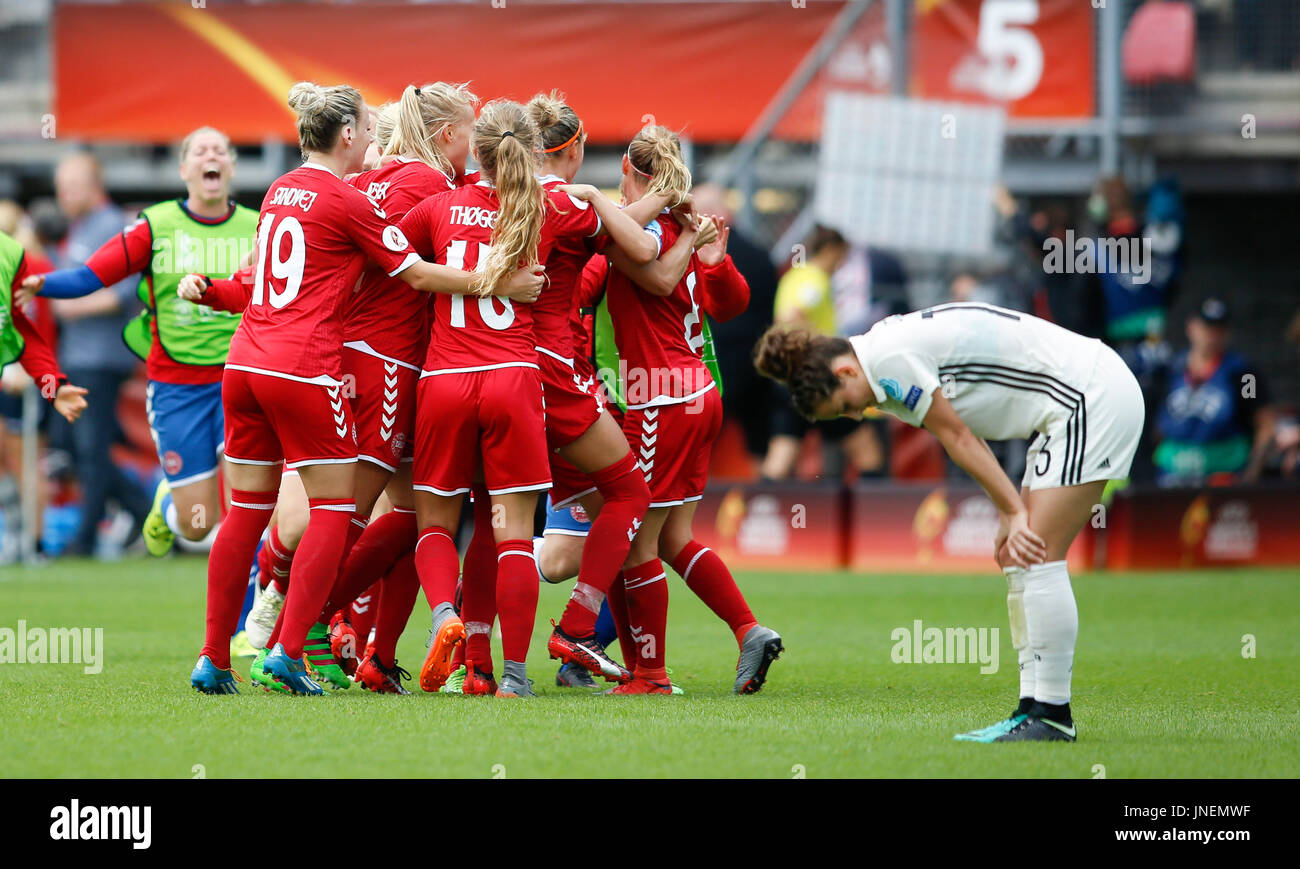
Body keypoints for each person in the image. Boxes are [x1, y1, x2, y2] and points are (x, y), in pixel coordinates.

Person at [183, 81, 543, 695]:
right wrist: (500, 284)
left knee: (286, 512)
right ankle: (294, 631)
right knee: (346, 512)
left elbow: (278, 275)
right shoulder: (410, 191)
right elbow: (417, 271)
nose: (373, 139)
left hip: (248, 358)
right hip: (365, 364)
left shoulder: (280, 191)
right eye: (464, 127)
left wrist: (215, 292)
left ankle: (237, 653)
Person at [754, 300, 1146, 741]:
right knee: (1019, 557)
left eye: (844, 405)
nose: (853, 415)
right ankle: (1032, 710)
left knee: (1038, 555)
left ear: (844, 373)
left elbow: (957, 436)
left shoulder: (886, 361)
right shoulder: (880, 358)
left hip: (1090, 397)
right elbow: (963, 428)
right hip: (1070, 406)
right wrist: (1007, 511)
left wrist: (1016, 512)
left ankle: (1052, 716)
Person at [396, 99, 616, 698]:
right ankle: (513, 678)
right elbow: (635, 241)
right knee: (515, 533)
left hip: (442, 380)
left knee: (436, 525)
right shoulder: (548, 209)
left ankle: (446, 620)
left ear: (477, 151)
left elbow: (400, 265)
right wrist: (606, 197)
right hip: (514, 380)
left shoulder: (438, 206)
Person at [593, 125, 783, 695]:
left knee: (634, 542)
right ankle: (749, 630)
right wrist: (717, 261)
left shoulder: (643, 233)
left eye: (623, 175)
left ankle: (649, 674)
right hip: (699, 393)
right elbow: (733, 304)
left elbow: (657, 279)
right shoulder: (685, 227)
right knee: (674, 537)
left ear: (632, 173)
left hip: (660, 397)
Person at [21, 128, 258, 558]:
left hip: (240, 380)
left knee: (245, 508)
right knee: (197, 523)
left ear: (231, 166)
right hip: (177, 387)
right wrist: (41, 283)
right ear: (184, 169)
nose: (211, 156)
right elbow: (92, 276)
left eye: (220, 150)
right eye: (200, 151)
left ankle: (244, 625)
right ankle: (167, 509)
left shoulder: (258, 226)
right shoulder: (156, 225)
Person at [47, 152, 152, 556]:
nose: (64, 196)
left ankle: (86, 537)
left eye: (70, 187)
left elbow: (126, 291)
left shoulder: (114, 226)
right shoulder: (78, 228)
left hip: (102, 357)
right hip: (76, 354)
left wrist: (73, 305)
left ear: (93, 185)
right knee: (78, 447)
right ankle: (141, 510)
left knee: (90, 447)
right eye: (61, 189)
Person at [1152, 298, 1277, 486]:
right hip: (1170, 475)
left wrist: (1251, 476)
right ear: (1191, 327)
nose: (1211, 335)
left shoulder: (1243, 375)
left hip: (1223, 476)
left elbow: (1264, 423)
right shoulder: (1170, 369)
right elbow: (1156, 424)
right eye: (1206, 327)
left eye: (1219, 328)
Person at [762, 224, 850, 480]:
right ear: (832, 250)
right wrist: (829, 346)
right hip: (818, 377)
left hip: (789, 377)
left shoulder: (795, 275)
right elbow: (789, 317)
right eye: (842, 257)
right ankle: (872, 515)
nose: (841, 265)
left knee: (782, 454)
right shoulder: (815, 280)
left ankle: (759, 510)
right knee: (867, 451)